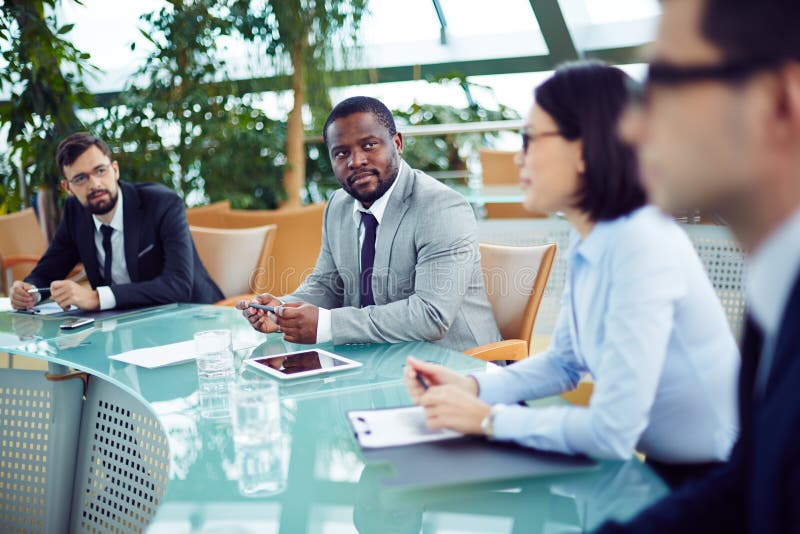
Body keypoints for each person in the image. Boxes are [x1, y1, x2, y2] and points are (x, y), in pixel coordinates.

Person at [404, 62, 740, 488]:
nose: (516, 154)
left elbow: (612, 432)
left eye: (529, 137)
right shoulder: (593, 237)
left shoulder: (643, 245)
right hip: (661, 469)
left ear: (584, 148)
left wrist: (489, 420)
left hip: (725, 482)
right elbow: (565, 362)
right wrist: (471, 386)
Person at [597, 0, 800, 531]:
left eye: (661, 87)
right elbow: (747, 483)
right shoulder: (775, 288)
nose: (631, 131)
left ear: (780, 102)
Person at [237, 96, 500, 351]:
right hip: (382, 360)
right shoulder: (338, 206)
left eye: (369, 145)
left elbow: (431, 315)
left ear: (397, 143)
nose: (356, 161)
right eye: (341, 153)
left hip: (458, 366)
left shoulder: (441, 208)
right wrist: (281, 310)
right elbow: (328, 284)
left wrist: (329, 325)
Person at [10, 132, 223, 311]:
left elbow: (178, 285)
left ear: (115, 170)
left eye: (100, 171)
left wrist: (96, 298)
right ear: (68, 188)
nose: (94, 184)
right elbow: (48, 270)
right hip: (125, 324)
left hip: (192, 318)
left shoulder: (162, 204)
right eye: (81, 178)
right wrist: (29, 292)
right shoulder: (75, 212)